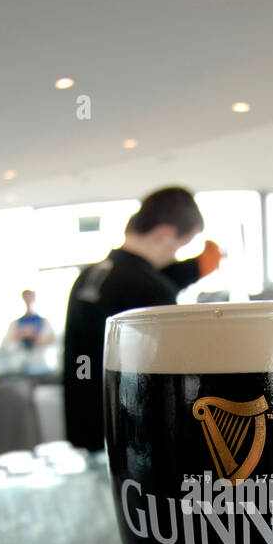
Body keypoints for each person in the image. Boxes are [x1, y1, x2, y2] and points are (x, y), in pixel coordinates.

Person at [63, 187, 222, 451]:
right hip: (125, 434)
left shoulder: (90, 275)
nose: (174, 256)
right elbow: (165, 376)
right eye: (179, 247)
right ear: (165, 234)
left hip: (84, 421)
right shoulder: (147, 287)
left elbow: (84, 361)